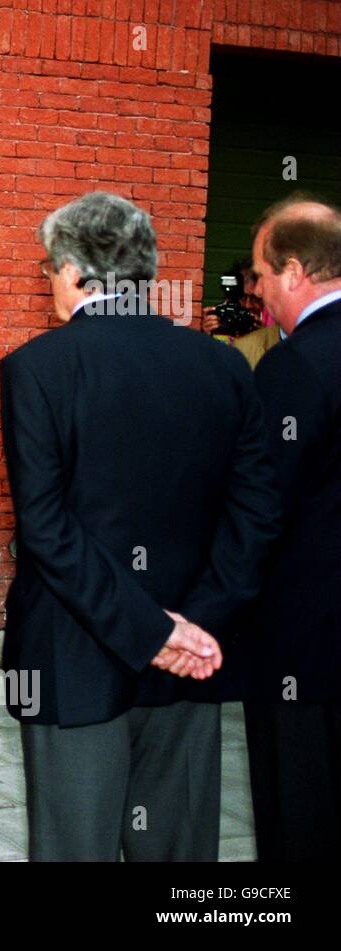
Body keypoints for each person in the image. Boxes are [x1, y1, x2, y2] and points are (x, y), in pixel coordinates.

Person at [0, 191, 279, 861]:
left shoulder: (37, 367)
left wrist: (152, 632)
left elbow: (47, 529)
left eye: (47, 268)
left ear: (72, 269)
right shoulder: (223, 363)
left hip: (75, 654)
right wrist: (190, 626)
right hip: (190, 657)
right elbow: (257, 511)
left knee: (76, 848)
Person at [240, 193, 341, 862]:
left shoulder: (293, 365)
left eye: (261, 275)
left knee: (299, 811)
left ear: (296, 270)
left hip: (301, 640)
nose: (257, 292)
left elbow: (259, 505)